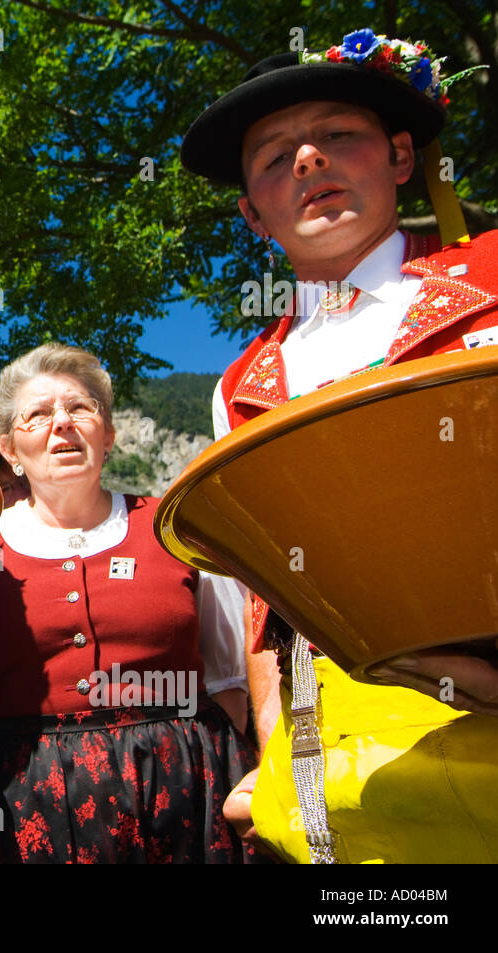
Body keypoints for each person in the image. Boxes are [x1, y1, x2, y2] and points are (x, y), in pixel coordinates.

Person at [181, 28, 498, 862]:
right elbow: (259, 602)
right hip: (344, 754)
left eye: (337, 135)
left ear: (400, 157)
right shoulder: (244, 384)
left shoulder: (497, 277)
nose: (310, 160)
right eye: (277, 156)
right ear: (253, 214)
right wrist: (270, 749)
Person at [0, 343, 253, 863]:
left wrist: (209, 771)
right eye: (38, 414)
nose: (61, 423)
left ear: (108, 435)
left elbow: (230, 678)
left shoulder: (180, 527)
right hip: (26, 800)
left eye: (80, 408)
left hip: (185, 790)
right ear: (10, 450)